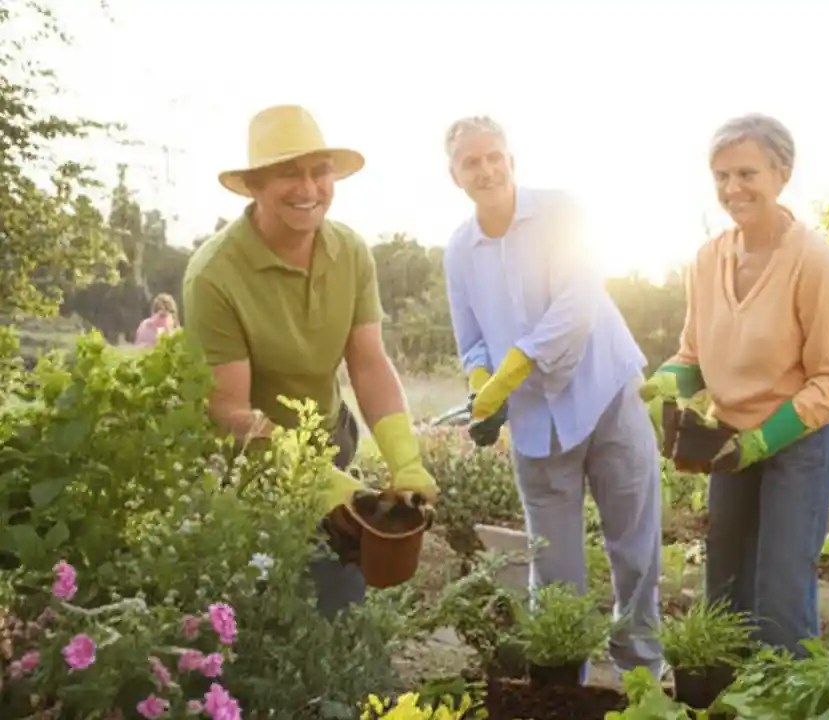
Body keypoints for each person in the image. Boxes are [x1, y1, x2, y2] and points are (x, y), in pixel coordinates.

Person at [182, 104, 438, 617]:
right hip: (255, 463)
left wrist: (404, 459)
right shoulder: (214, 276)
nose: (308, 188)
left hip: (326, 435)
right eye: (287, 173)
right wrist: (316, 481)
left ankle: (336, 685)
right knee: (265, 603)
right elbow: (230, 410)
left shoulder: (350, 251)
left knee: (339, 596)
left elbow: (367, 363)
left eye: (319, 171)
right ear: (254, 184)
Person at [440, 115, 665, 681]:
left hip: (605, 392)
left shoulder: (563, 211)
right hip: (537, 422)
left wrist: (509, 371)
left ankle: (640, 676)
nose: (487, 168)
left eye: (495, 156)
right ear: (454, 176)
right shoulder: (459, 251)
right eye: (472, 161)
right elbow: (469, 342)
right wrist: (479, 388)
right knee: (552, 565)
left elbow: (577, 304)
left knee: (634, 551)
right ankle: (564, 684)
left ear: (512, 161)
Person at [642, 113, 829, 656]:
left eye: (746, 174)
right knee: (726, 591)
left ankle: (786, 701)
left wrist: (765, 439)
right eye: (721, 176)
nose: (732, 188)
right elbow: (694, 355)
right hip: (730, 446)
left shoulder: (812, 259)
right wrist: (664, 386)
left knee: (780, 599)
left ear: (781, 175)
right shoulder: (708, 258)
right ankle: (726, 705)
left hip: (800, 445)